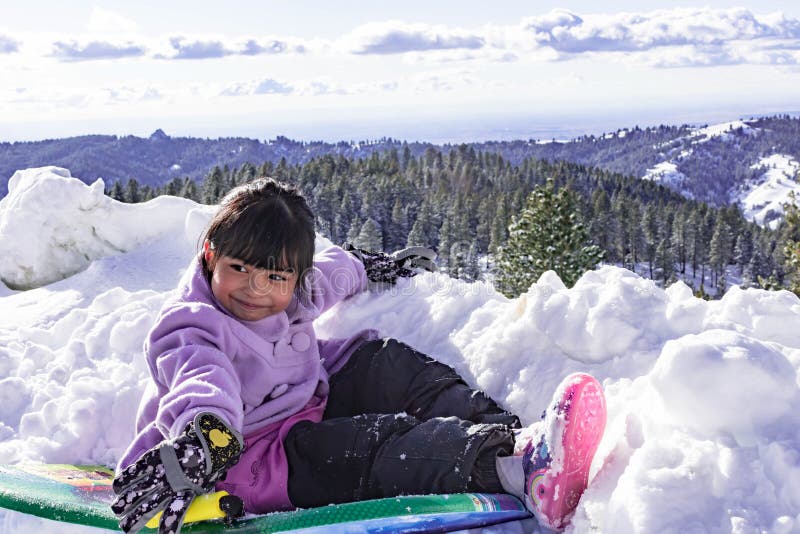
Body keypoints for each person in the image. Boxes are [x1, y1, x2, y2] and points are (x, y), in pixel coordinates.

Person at [112, 178, 606, 534]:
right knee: (376, 446)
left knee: (383, 362)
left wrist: (368, 266)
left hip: (302, 392)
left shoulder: (294, 287)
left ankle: (517, 433)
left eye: (276, 277)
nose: (256, 289)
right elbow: (201, 382)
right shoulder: (191, 325)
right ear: (209, 255)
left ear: (294, 276)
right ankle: (516, 469)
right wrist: (205, 442)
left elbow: (334, 271)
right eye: (238, 268)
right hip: (250, 453)